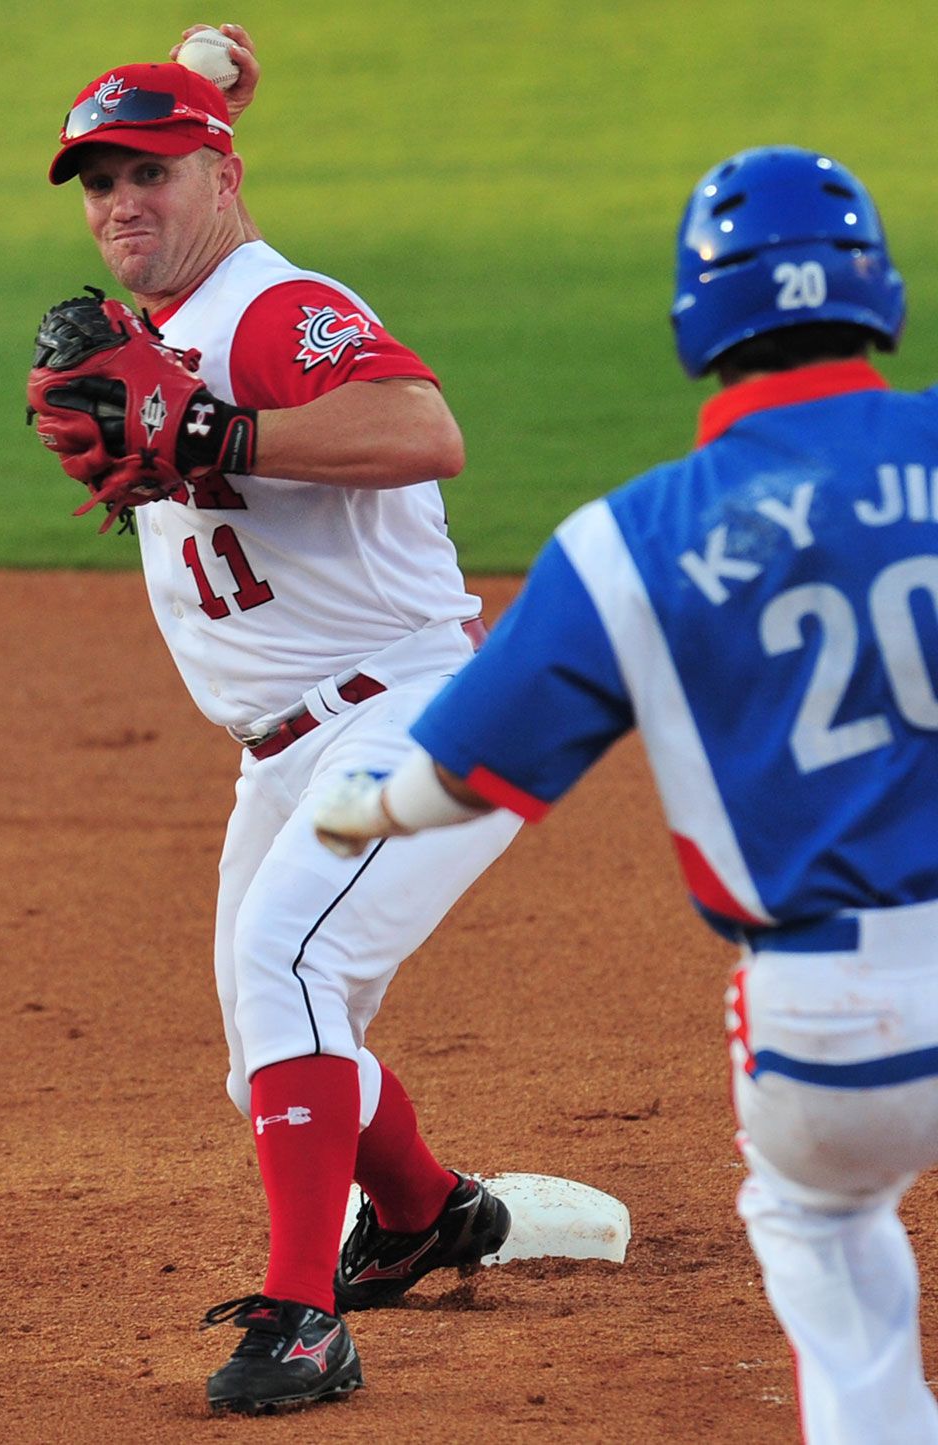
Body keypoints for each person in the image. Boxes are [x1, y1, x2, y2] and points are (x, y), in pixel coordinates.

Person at [313, 145, 938, 1445]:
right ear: (873, 289)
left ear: (699, 317)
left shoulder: (630, 540)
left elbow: (444, 780)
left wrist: (355, 800)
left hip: (831, 1035)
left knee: (822, 1225)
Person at [33, 26, 520, 1418]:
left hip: (414, 707)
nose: (122, 202)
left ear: (222, 179)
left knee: (288, 951)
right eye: (99, 181)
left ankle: (305, 1319)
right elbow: (167, 409)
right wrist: (173, 419)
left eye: (152, 175)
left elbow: (424, 428)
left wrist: (211, 435)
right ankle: (427, 1212)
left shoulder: (271, 308)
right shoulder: (169, 330)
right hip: (289, 748)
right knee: (268, 1051)